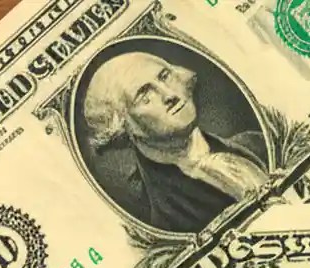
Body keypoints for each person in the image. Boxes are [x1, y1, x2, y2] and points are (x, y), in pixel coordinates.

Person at [83, 51, 269, 233]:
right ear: (123, 127)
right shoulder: (163, 221)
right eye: (144, 96)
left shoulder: (256, 144)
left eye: (165, 77)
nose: (170, 95)